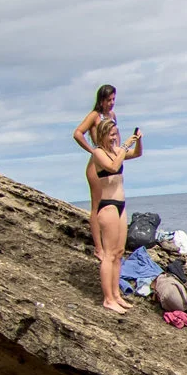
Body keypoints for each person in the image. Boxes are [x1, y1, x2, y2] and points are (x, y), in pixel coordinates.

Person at [85, 118, 142, 313]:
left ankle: (116, 294)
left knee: (118, 253)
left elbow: (137, 154)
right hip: (108, 206)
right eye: (111, 134)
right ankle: (108, 298)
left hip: (121, 205)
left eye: (116, 134)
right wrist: (125, 145)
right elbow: (112, 167)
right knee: (108, 255)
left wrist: (137, 140)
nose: (114, 138)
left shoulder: (117, 151)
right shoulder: (98, 153)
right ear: (102, 135)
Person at [73, 85, 118, 257]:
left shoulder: (112, 116)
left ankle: (108, 242)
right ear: (101, 100)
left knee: (111, 204)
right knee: (97, 206)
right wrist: (93, 150)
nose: (111, 103)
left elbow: (115, 137)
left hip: (110, 162)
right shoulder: (95, 116)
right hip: (96, 164)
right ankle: (98, 248)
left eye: (113, 99)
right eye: (108, 100)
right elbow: (78, 133)